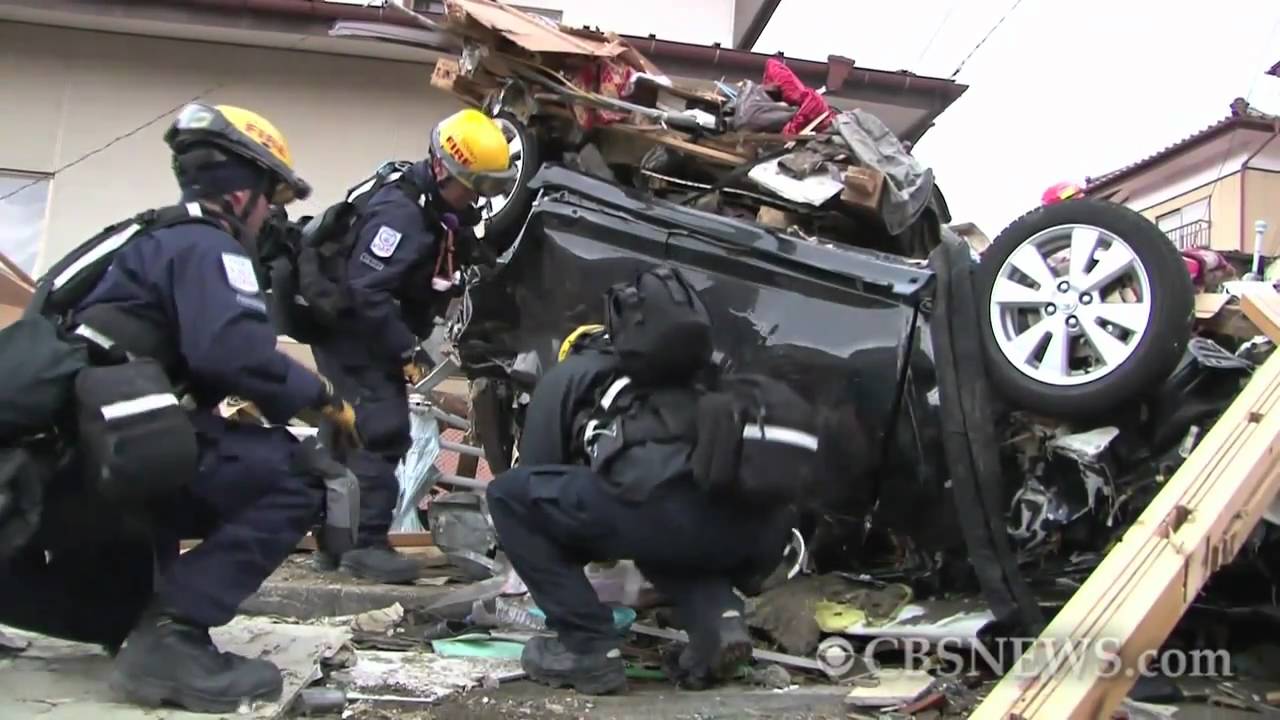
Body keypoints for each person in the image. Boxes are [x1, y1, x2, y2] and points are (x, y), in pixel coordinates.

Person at [0, 102, 362, 714]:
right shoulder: (207, 246)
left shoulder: (140, 241)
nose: (273, 217)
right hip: (98, 464)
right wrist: (322, 400)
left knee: (122, 611)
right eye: (272, 199)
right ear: (242, 191)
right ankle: (173, 640)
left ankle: (133, 625)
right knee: (302, 475)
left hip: (56, 477)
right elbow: (232, 353)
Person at [485, 271, 817, 695]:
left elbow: (536, 474)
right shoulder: (713, 375)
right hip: (751, 533)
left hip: (665, 510)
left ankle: (587, 646)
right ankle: (719, 623)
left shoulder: (576, 374)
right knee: (660, 533)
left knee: (510, 497)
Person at [309, 107, 515, 583]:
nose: (479, 198)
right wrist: (407, 352)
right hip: (354, 335)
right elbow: (366, 291)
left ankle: (334, 545)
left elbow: (451, 239)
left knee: (346, 437)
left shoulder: (430, 202)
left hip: (359, 331)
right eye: (476, 186)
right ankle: (365, 547)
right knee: (380, 432)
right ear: (445, 169)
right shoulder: (400, 214)